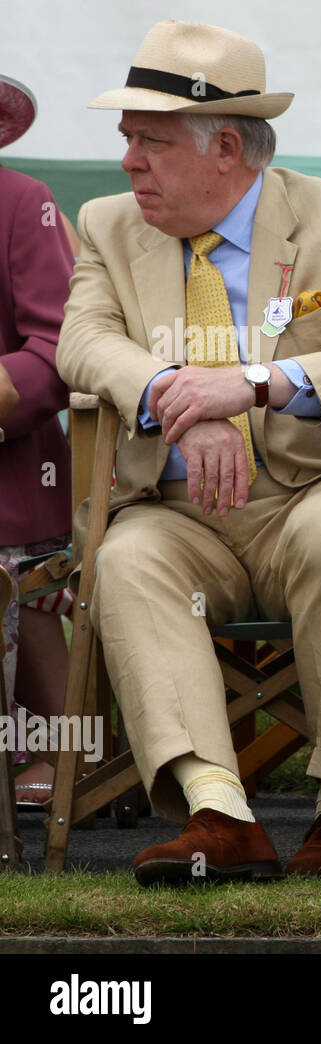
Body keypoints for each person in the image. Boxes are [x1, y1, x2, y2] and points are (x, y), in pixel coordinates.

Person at [57, 20, 321, 885]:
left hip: (318, 490)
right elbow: (79, 344)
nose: (128, 163)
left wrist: (255, 382)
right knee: (124, 557)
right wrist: (172, 393)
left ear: (226, 145)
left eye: (148, 142)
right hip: (177, 512)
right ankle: (219, 812)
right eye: (127, 141)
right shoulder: (109, 226)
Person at [0, 73, 75, 814]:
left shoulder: (25, 202)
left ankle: (54, 748)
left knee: (28, 582)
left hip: (13, 470)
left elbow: (59, 348)